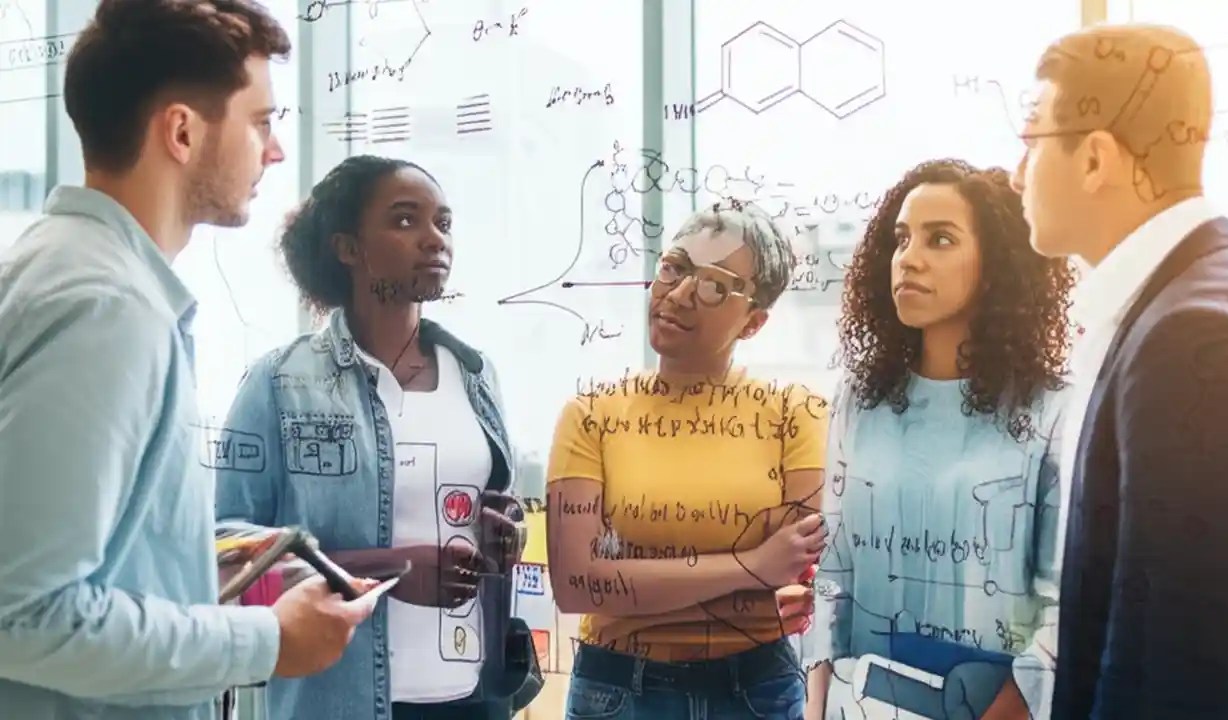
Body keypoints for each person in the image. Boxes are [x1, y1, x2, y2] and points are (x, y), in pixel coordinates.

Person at [0, 2, 378, 720]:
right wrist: (266, 640)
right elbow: (25, 612)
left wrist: (193, 568)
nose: (275, 151)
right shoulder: (107, 310)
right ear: (181, 132)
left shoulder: (60, 271)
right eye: (260, 122)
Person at [1007, 23, 1228, 718]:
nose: (1016, 175)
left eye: (1031, 141)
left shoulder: (1194, 338)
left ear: (1096, 158)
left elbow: (1176, 677)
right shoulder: (1214, 292)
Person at [214, 154, 539, 720]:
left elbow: (487, 505)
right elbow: (226, 550)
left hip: (475, 697)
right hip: (339, 701)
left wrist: (506, 532)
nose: (435, 238)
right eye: (406, 220)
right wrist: (389, 570)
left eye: (443, 222)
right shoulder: (280, 381)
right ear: (348, 248)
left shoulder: (477, 374)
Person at [797, 160, 1075, 720]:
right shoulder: (860, 400)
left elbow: (1061, 607)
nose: (909, 258)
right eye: (901, 239)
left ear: (996, 266)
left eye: (940, 239)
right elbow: (834, 573)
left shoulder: (1053, 410)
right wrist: (816, 705)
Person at [545, 198, 829, 720]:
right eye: (674, 268)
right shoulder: (591, 415)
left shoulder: (796, 413)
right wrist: (750, 565)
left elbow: (790, 584)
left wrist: (633, 579)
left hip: (757, 690)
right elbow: (577, 585)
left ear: (753, 322)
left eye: (714, 286)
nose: (676, 295)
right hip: (618, 691)